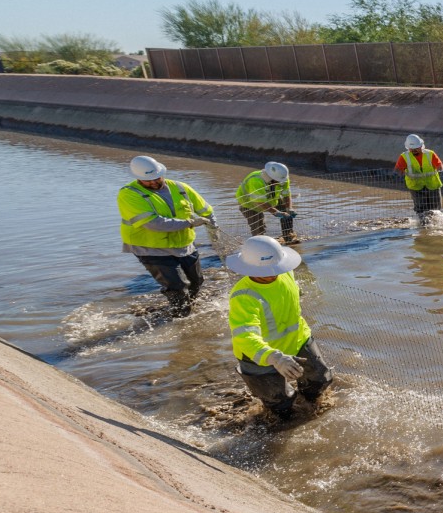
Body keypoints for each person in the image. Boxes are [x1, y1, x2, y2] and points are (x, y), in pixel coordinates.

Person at [225, 235, 332, 421]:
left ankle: (312, 410)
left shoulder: (285, 272)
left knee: (320, 380)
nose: (272, 273)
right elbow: (245, 336)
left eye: (274, 267)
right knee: (279, 403)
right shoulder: (243, 296)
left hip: (298, 340)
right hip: (258, 356)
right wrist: (274, 357)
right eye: (264, 270)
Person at [117, 155, 215, 316]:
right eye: (147, 180)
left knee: (197, 282)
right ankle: (180, 318)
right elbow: (154, 223)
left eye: (156, 178)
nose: (153, 182)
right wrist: (190, 223)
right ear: (138, 178)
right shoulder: (129, 194)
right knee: (177, 286)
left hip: (184, 245)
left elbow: (205, 209)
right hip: (151, 248)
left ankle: (188, 307)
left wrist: (213, 225)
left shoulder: (180, 187)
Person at [235, 161, 297, 244]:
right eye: (277, 181)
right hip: (249, 204)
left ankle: (288, 236)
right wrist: (276, 212)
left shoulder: (282, 178)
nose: (280, 183)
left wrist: (289, 208)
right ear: (271, 178)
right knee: (258, 227)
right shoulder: (256, 180)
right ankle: (260, 244)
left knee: (287, 213)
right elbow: (260, 202)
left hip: (271, 199)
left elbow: (286, 194)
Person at [394, 134, 443, 217]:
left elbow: (439, 165)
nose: (414, 150)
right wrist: (396, 174)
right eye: (412, 149)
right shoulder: (404, 156)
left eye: (416, 148)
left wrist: (442, 171)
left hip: (433, 185)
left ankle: (434, 226)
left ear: (421, 146)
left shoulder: (430, 154)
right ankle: (423, 227)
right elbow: (398, 169)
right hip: (416, 187)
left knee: (436, 210)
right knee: (421, 211)